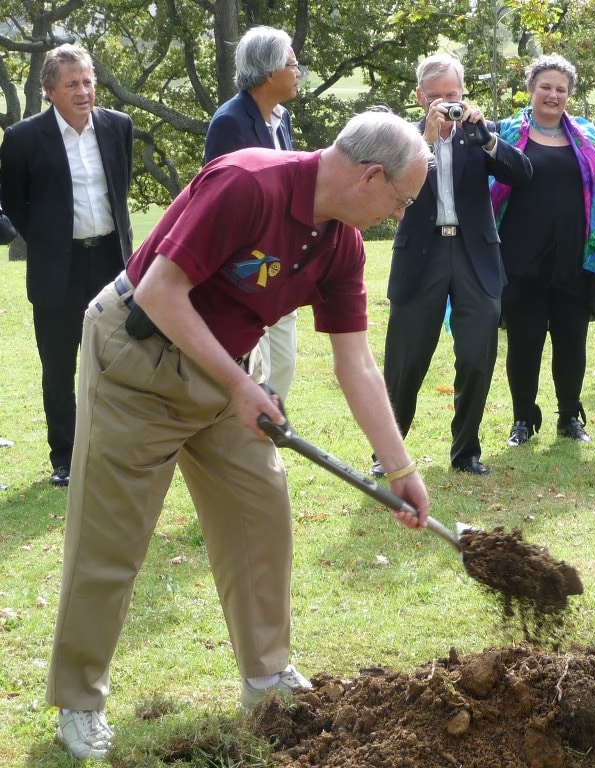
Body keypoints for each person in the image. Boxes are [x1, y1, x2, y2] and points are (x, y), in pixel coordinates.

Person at [45, 110, 432, 761]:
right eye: (403, 200)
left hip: (228, 376)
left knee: (260, 514)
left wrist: (400, 469)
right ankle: (79, 703)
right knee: (111, 539)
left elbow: (355, 363)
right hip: (137, 360)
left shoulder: (341, 245)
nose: (399, 215)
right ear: (371, 176)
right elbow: (163, 293)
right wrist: (238, 385)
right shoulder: (248, 183)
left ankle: (267, 677)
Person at [377, 53, 532, 477]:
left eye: (453, 95)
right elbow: (390, 185)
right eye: (436, 97)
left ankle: (466, 451)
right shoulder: (401, 139)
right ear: (418, 97)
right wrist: (426, 139)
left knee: (476, 358)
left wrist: (485, 137)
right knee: (405, 361)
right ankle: (387, 455)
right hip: (421, 256)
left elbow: (522, 174)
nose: (447, 104)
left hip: (474, 253)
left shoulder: (480, 133)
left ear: (464, 94)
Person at [0, 44, 133, 487]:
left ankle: (115, 448)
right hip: (58, 266)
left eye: (88, 81)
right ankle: (66, 458)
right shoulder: (22, 138)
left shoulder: (118, 127)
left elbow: (120, 185)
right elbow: (15, 202)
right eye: (72, 83)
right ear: (50, 90)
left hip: (111, 263)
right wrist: (48, 240)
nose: (83, 91)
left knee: (117, 359)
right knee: (59, 367)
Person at [490, 54, 595, 446]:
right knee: (524, 342)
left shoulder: (588, 137)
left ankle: (569, 416)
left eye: (561, 89)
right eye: (545, 87)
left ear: (570, 95)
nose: (553, 94)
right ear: (531, 89)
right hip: (519, 258)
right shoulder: (505, 133)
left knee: (571, 340)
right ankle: (522, 419)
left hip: (576, 256)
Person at [204, 26, 303, 401]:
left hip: (280, 263)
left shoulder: (282, 118)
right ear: (268, 72)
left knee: (283, 366)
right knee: (248, 372)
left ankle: (267, 444)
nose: (299, 72)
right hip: (244, 270)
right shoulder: (229, 123)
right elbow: (217, 202)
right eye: (293, 65)